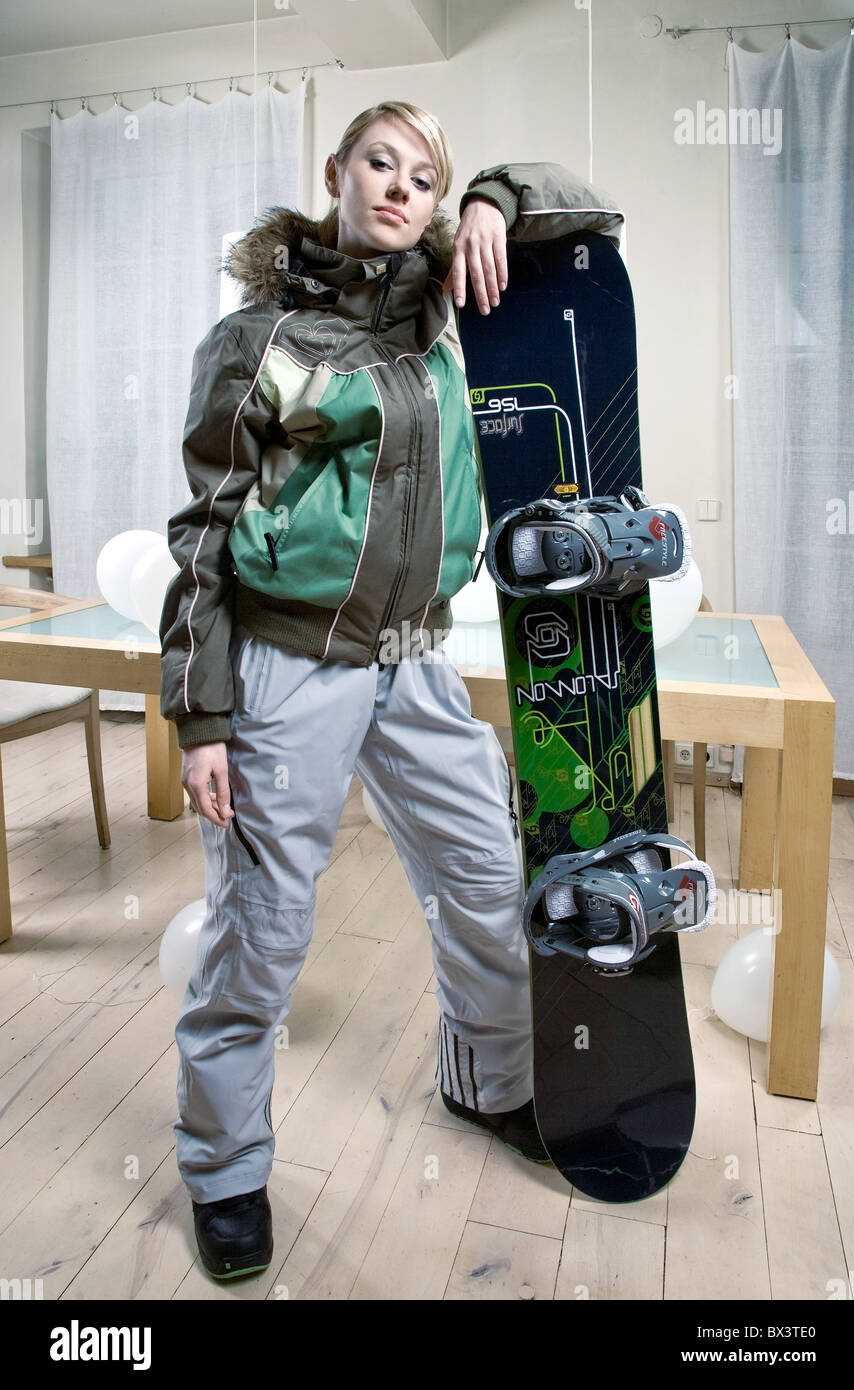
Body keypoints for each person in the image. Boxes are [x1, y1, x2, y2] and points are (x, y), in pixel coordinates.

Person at [159, 99, 623, 1280]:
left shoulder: (452, 311)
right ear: (337, 171)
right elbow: (205, 539)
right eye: (381, 161)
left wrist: (496, 200)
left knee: (484, 879)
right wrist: (201, 716)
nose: (399, 187)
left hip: (415, 660)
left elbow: (586, 213)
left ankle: (489, 1087)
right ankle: (225, 1168)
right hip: (287, 666)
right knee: (261, 930)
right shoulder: (256, 338)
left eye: (425, 175)